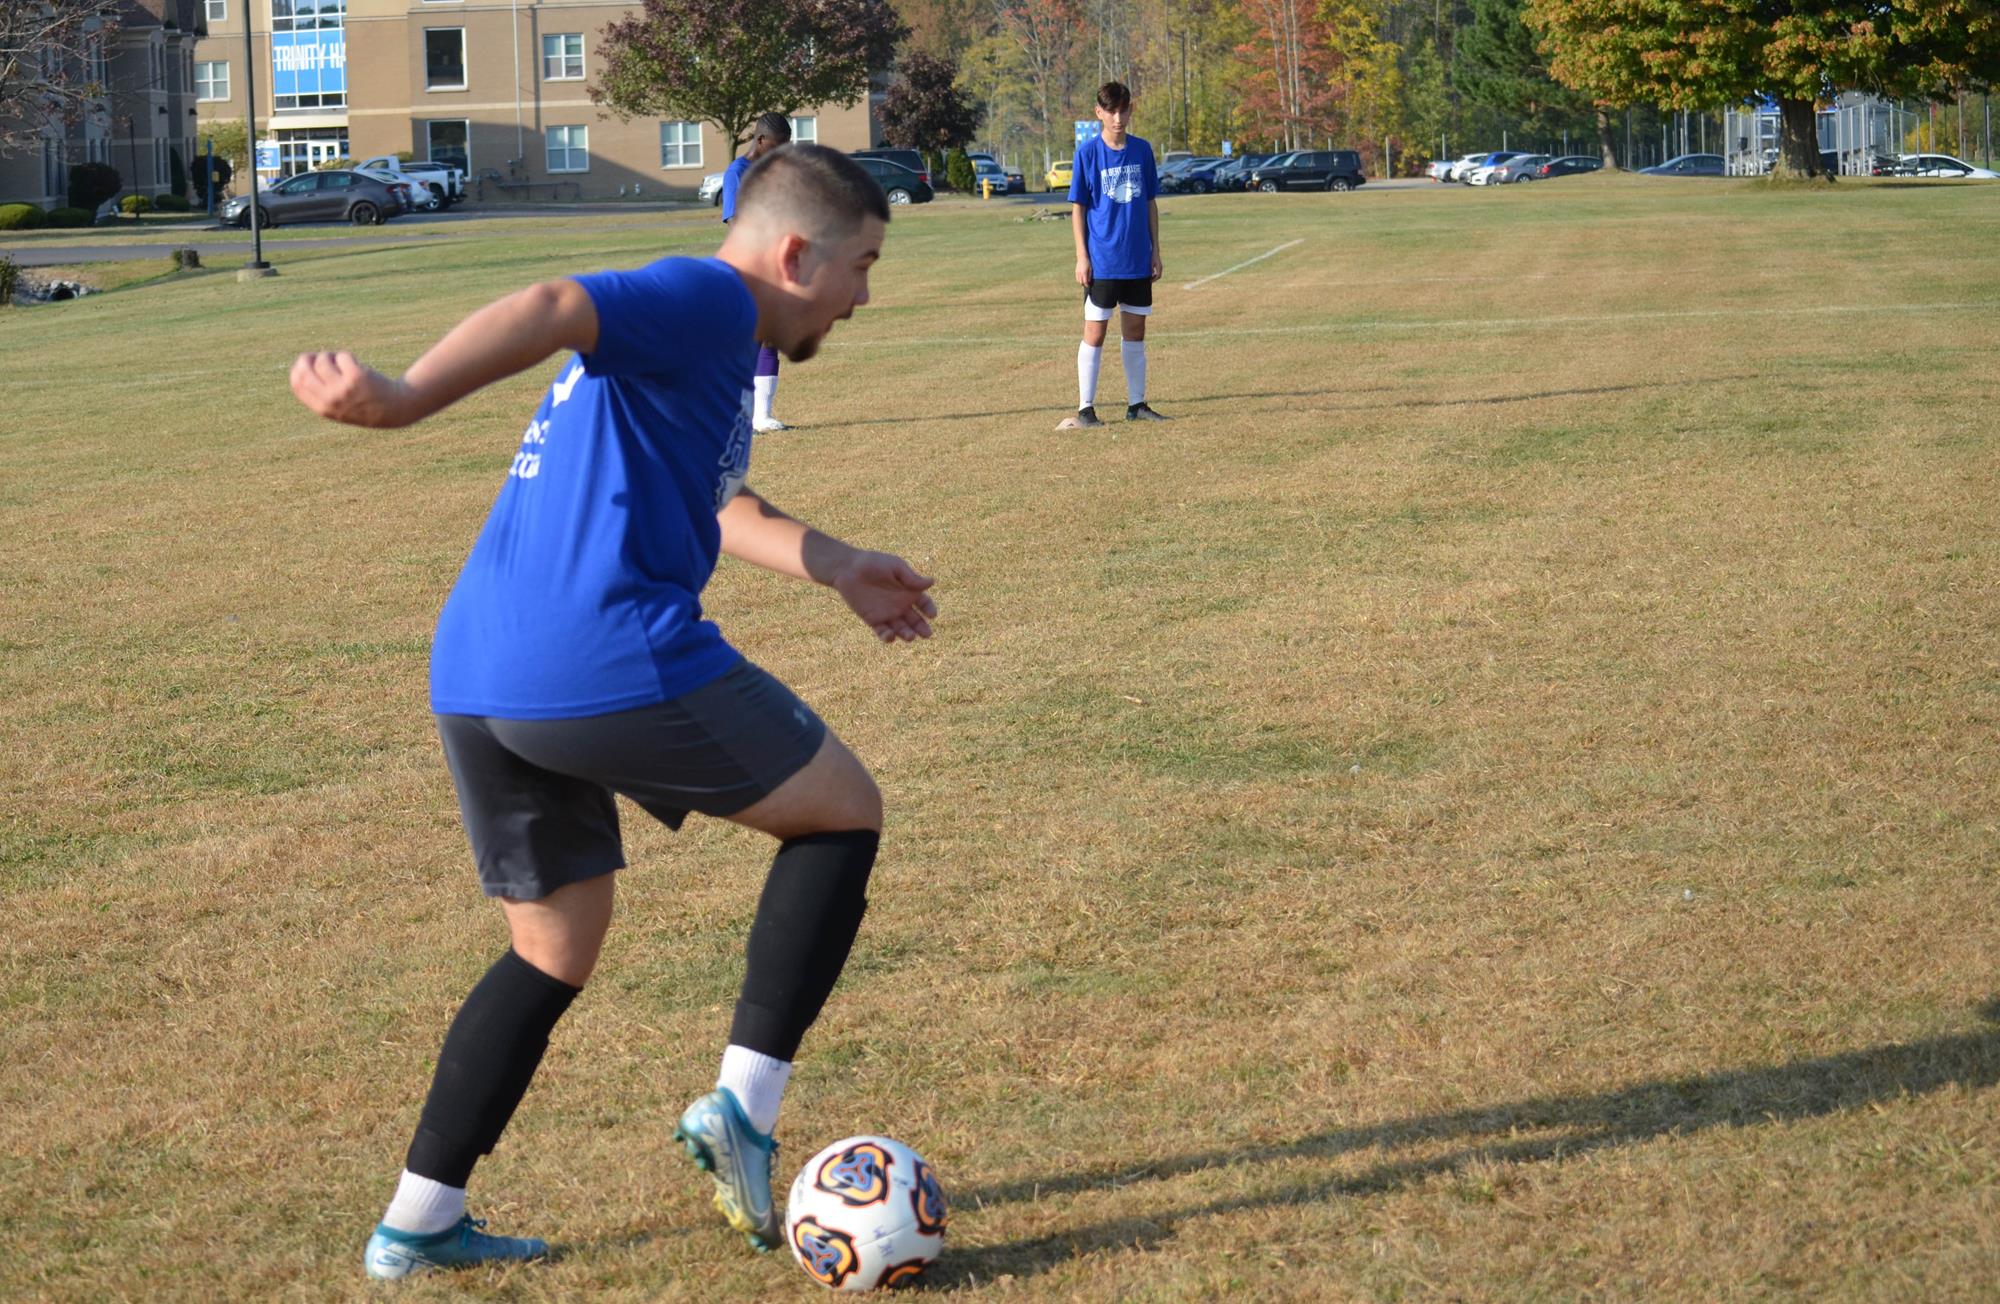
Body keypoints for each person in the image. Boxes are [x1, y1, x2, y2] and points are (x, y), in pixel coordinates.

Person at [287, 144, 936, 1280]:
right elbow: (554, 304)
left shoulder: (712, 352)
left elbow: (714, 497)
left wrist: (833, 562)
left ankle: (417, 1220)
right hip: (598, 650)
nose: (865, 296)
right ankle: (743, 1103)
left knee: (552, 945)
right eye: (862, 265)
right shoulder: (705, 296)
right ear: (793, 254)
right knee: (841, 812)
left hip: (480, 668)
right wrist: (402, 400)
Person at [1057, 81, 1168, 431]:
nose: (1118, 118)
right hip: (1103, 260)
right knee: (1095, 332)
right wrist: (1081, 256)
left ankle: (1137, 404)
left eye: (1123, 110)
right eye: (1111, 111)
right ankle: (1085, 410)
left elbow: (1150, 202)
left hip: (1137, 258)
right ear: (1099, 113)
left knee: (1135, 331)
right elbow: (1078, 208)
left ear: (1130, 110)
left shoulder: (1142, 150)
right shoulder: (1088, 153)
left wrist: (1156, 250)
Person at [724, 113, 795, 433]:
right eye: (778, 146)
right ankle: (738, 415)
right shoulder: (738, 173)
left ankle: (761, 416)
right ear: (761, 140)